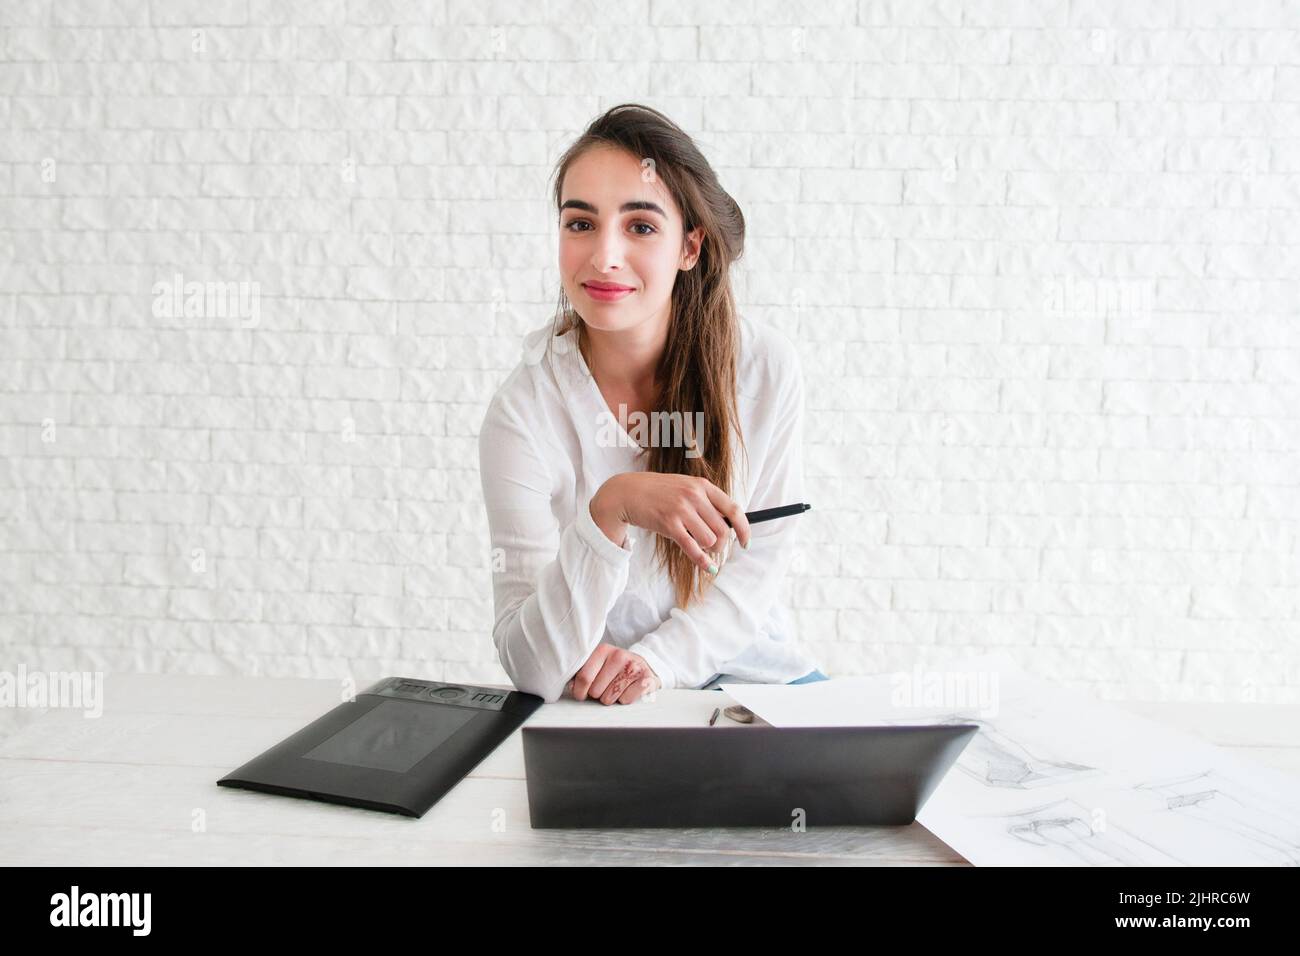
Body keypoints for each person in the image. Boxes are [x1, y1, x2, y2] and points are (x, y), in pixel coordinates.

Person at [477, 103, 827, 707]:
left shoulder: (764, 368)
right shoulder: (525, 411)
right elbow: (531, 664)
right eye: (580, 224)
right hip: (611, 704)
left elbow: (757, 574)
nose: (604, 256)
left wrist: (655, 662)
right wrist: (612, 508)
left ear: (690, 246)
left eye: (640, 226)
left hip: (756, 683)